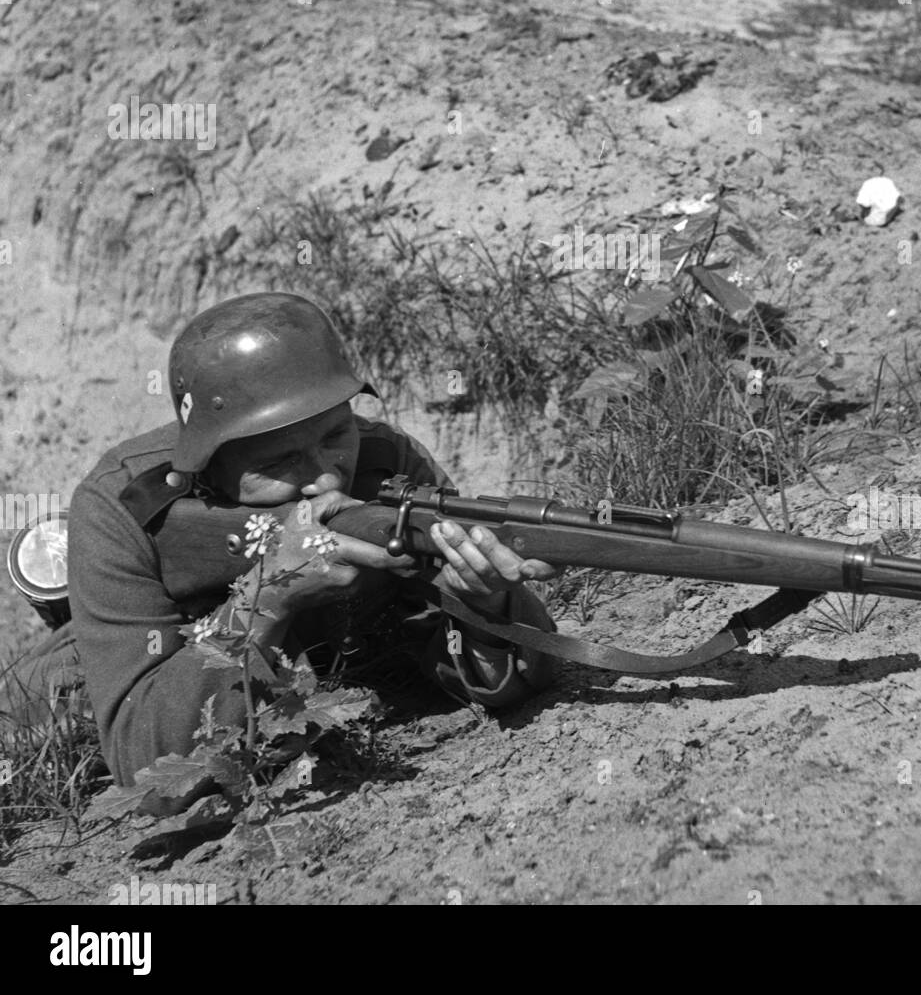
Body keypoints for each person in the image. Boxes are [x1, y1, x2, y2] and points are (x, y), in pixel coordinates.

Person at [4, 293, 559, 787]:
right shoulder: (122, 507)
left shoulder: (387, 465)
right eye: (283, 460)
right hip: (92, 678)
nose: (326, 478)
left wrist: (486, 606)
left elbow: (478, 665)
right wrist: (264, 600)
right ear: (208, 465)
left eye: (337, 435)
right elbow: (141, 757)